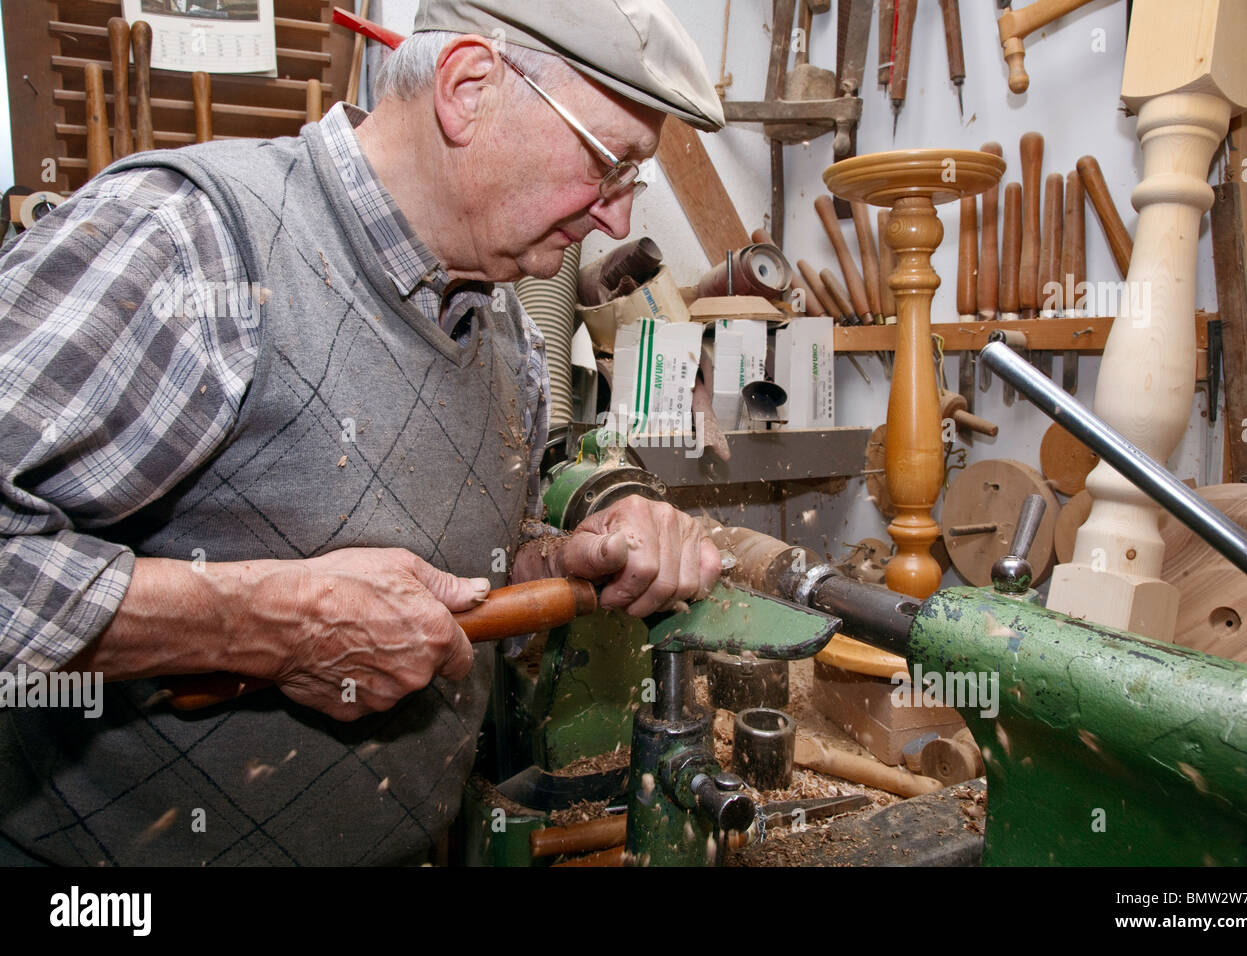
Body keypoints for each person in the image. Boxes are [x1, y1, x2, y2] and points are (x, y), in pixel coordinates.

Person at [0, 0, 724, 865]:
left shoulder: (507, 332)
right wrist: (273, 627)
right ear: (467, 88)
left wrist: (562, 563)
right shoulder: (192, 242)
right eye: (610, 164)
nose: (617, 220)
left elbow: (456, 574)